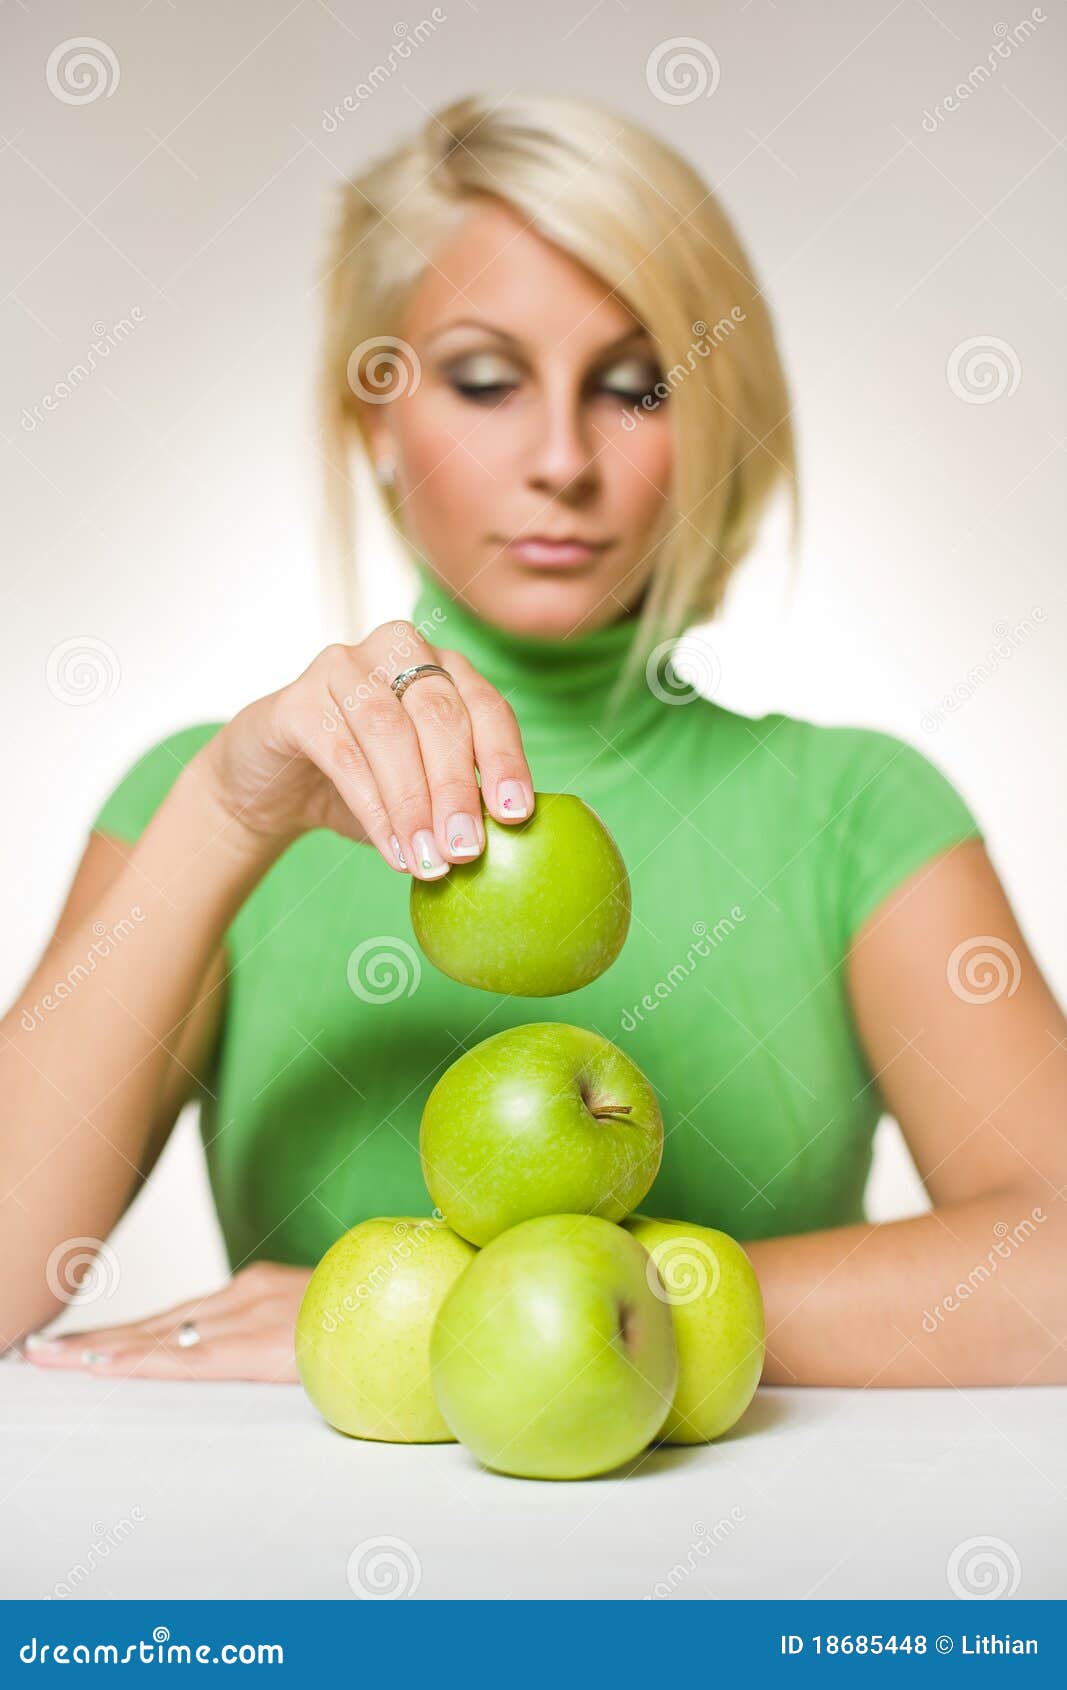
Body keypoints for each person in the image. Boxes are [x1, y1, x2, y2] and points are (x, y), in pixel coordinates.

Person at [6, 93, 1064, 1390]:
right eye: (486, 379)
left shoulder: (858, 809)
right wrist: (224, 818)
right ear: (376, 424)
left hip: (739, 1579)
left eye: (635, 386)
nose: (562, 457)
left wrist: (448, 1315)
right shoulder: (205, 801)